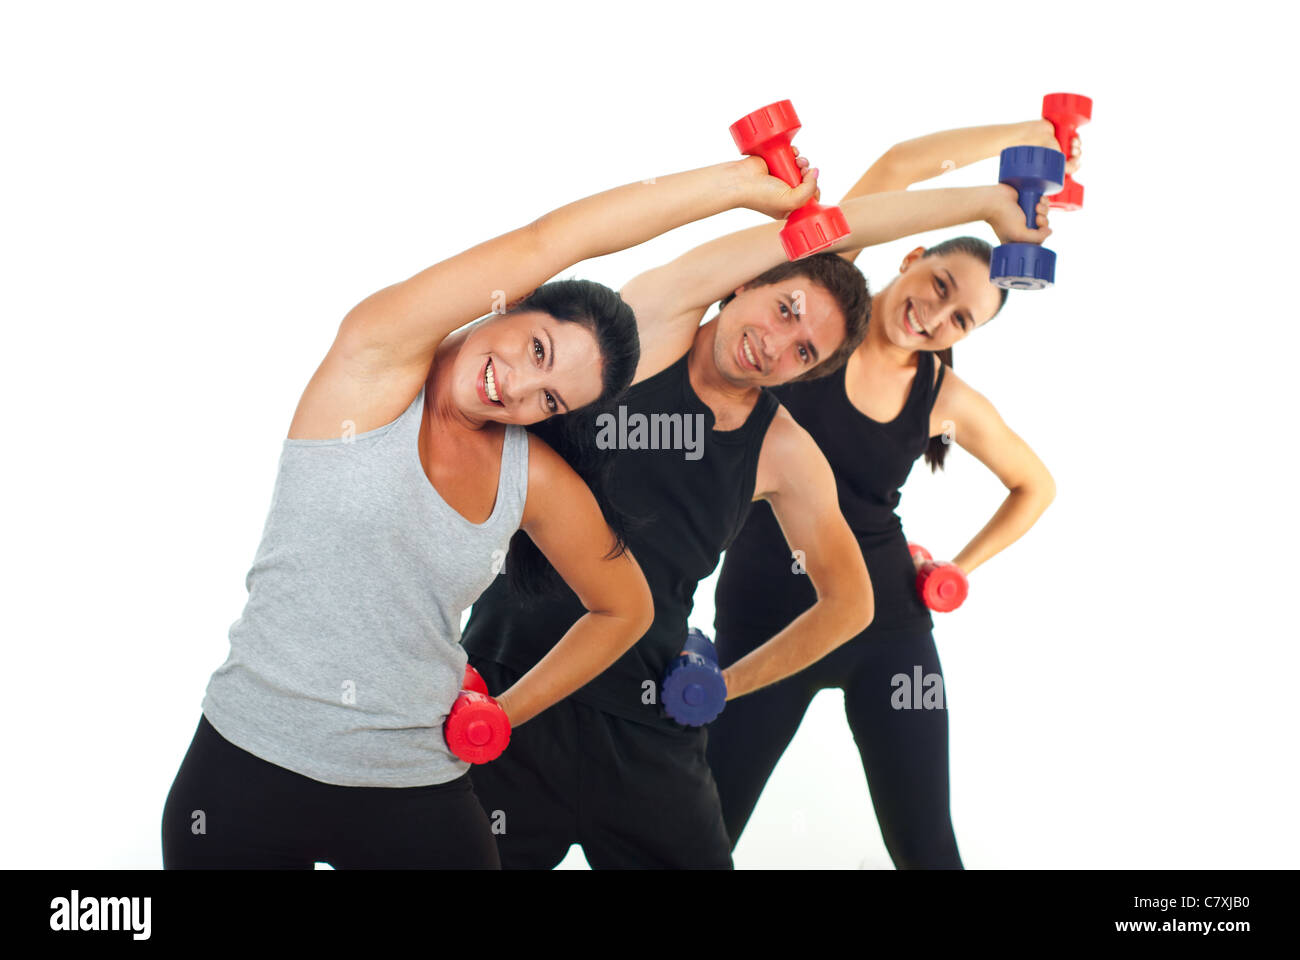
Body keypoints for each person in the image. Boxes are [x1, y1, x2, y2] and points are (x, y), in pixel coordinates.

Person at [160, 151, 820, 869]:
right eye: (537, 349)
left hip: (412, 780)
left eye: (551, 400)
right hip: (247, 764)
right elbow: (553, 239)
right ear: (513, 302)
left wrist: (506, 713)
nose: (519, 389)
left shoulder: (527, 474)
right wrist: (739, 188)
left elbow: (624, 607)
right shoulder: (371, 363)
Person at [461, 144, 1054, 868]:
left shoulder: (784, 449)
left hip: (646, 722)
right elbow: (838, 221)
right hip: (511, 685)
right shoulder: (649, 331)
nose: (777, 344)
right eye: (783, 308)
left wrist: (724, 685)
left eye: (804, 351)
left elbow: (852, 603)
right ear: (743, 284)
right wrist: (991, 202)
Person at [707, 118, 1073, 868]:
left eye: (958, 318)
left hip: (888, 633)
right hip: (765, 623)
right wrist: (1036, 136)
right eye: (938, 285)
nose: (934, 315)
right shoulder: (824, 310)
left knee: (928, 849)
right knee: (699, 839)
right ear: (910, 256)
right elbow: (900, 164)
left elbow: (1034, 485)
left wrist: (958, 571)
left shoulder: (944, 397)